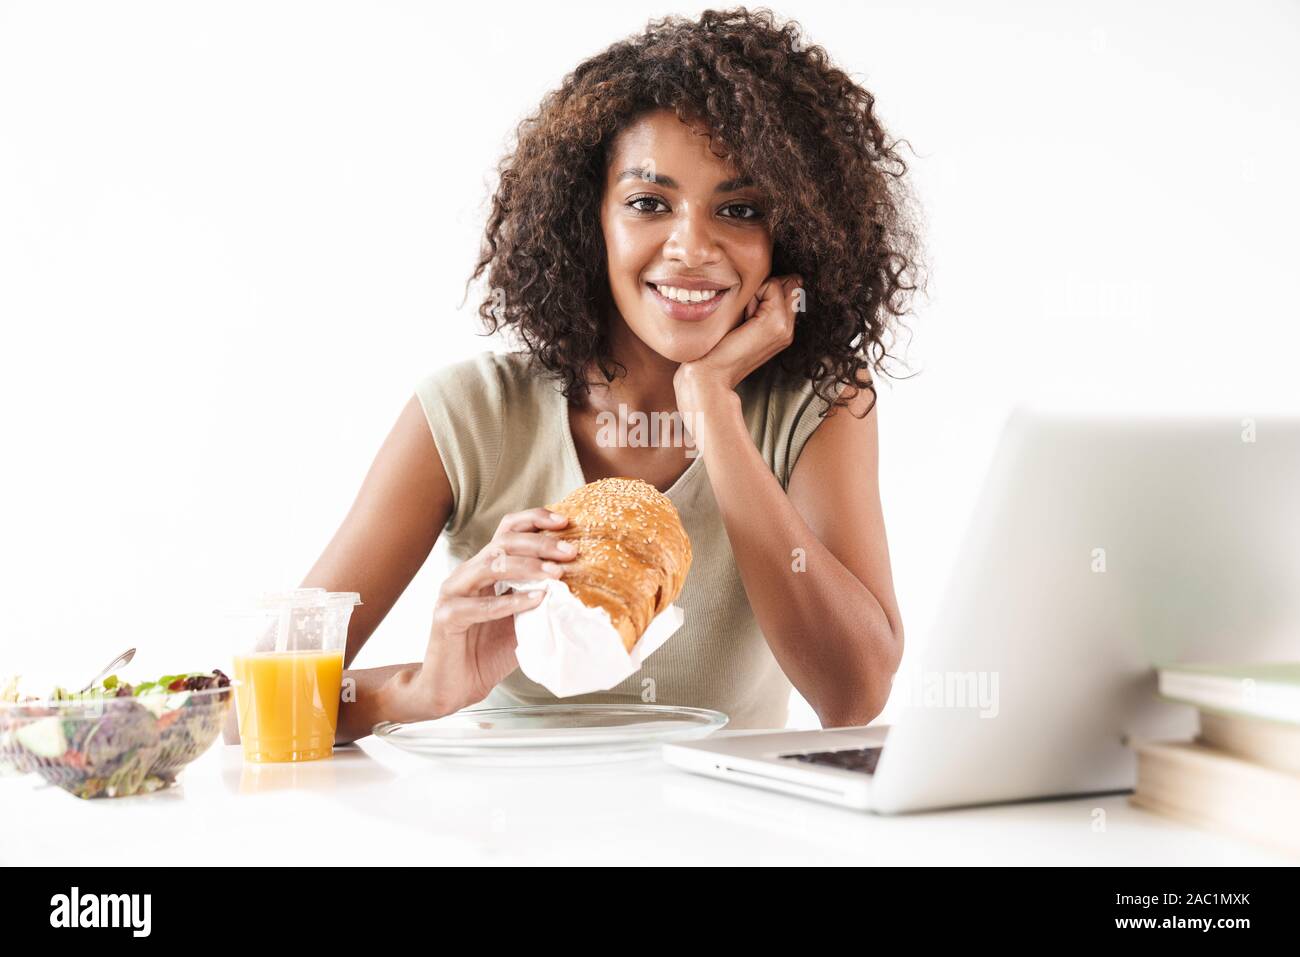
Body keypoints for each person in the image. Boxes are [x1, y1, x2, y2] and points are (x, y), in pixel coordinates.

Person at [225, 7, 920, 745]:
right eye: (649, 203)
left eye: (740, 208)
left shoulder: (817, 407)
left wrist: (713, 406)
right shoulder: (467, 415)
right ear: (589, 221)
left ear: (792, 232)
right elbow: (248, 710)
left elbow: (853, 696)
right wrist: (419, 688)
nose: (691, 247)